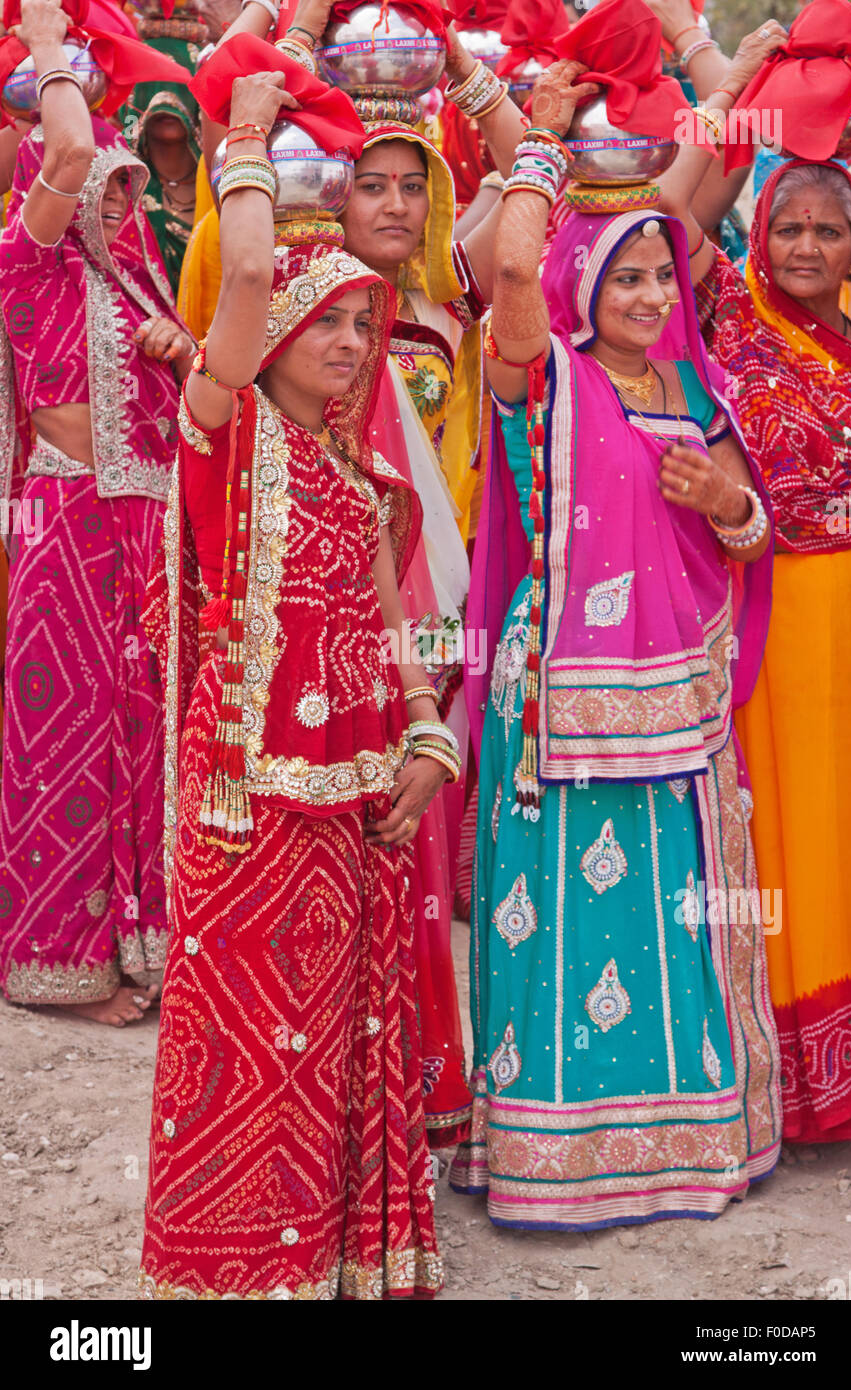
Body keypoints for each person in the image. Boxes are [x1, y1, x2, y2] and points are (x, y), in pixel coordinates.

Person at [450, 60, 782, 1230]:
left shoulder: (693, 391)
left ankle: (684, 1137)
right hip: (557, 701)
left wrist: (719, 505)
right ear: (578, 283)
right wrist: (533, 139)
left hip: (677, 707)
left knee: (669, 916)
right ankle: (550, 1152)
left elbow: (749, 538)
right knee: (550, 920)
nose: (645, 295)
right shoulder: (542, 380)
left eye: (658, 274)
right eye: (622, 275)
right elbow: (501, 267)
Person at [140, 67, 455, 1299]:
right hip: (248, 805)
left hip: (356, 802)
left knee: (335, 1042)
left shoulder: (358, 474)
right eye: (324, 322)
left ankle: (331, 1263)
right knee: (241, 1043)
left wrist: (431, 740)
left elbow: (389, 627)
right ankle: (224, 1277)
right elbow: (256, 270)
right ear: (264, 337)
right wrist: (249, 140)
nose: (343, 343)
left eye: (362, 329)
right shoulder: (223, 430)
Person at [657, 22, 851, 1145]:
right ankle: (784, 1076)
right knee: (776, 833)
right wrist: (734, 99)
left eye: (825, 229)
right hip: (771, 621)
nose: (800, 243)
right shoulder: (728, 321)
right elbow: (671, 217)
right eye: (783, 223)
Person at [0, 0, 194, 1026]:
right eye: (104, 190)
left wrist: (179, 352)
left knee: (138, 737)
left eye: (126, 193)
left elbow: (200, 408)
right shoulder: (26, 255)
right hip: (63, 525)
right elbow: (69, 142)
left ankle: (138, 941)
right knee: (63, 732)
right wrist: (43, 38)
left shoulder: (135, 285)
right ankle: (57, 963)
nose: (115, 209)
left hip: (142, 534)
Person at [131, 87, 202, 297]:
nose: (165, 97)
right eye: (151, 86)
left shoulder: (218, 181)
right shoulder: (125, 187)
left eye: (180, 87)